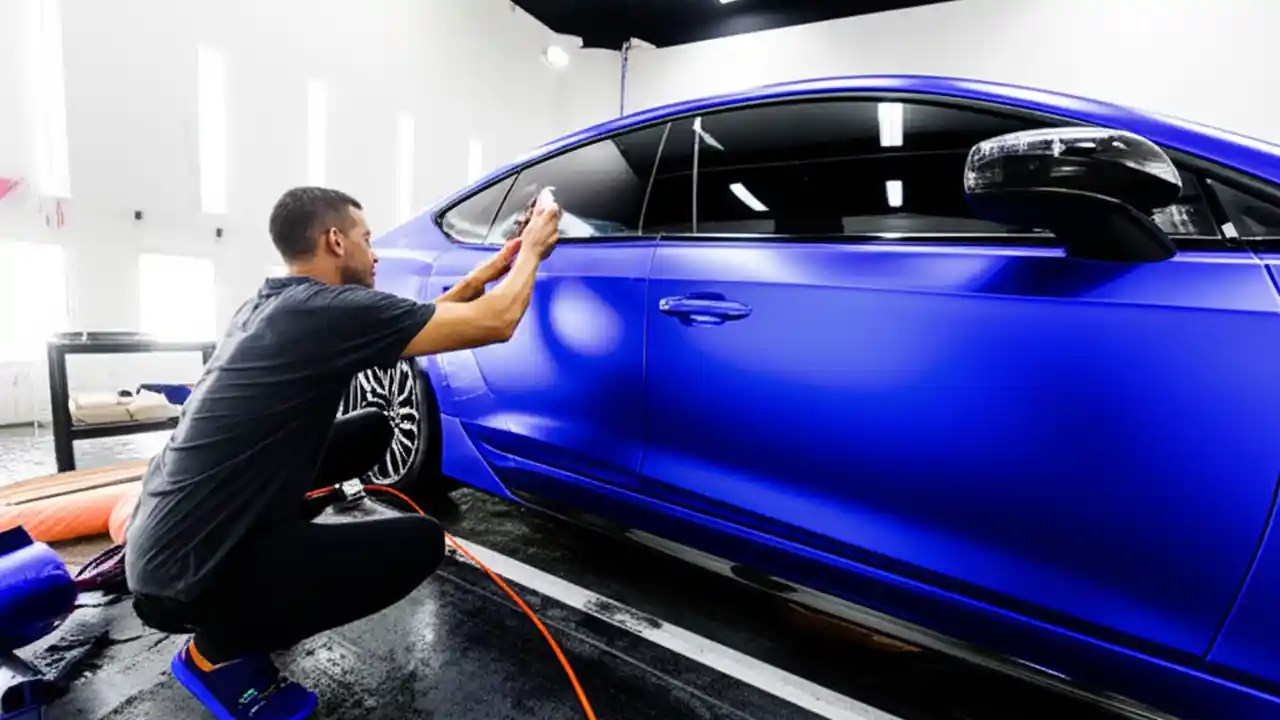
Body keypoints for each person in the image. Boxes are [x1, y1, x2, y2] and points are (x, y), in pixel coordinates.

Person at [124, 186, 561, 720]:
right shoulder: (326, 312)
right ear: (335, 240)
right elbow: (499, 322)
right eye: (366, 239)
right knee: (420, 542)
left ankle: (264, 570)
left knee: (370, 429)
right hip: (183, 580)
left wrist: (493, 268)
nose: (374, 253)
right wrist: (536, 247)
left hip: (169, 537)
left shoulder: (276, 303)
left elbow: (425, 318)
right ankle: (218, 653)